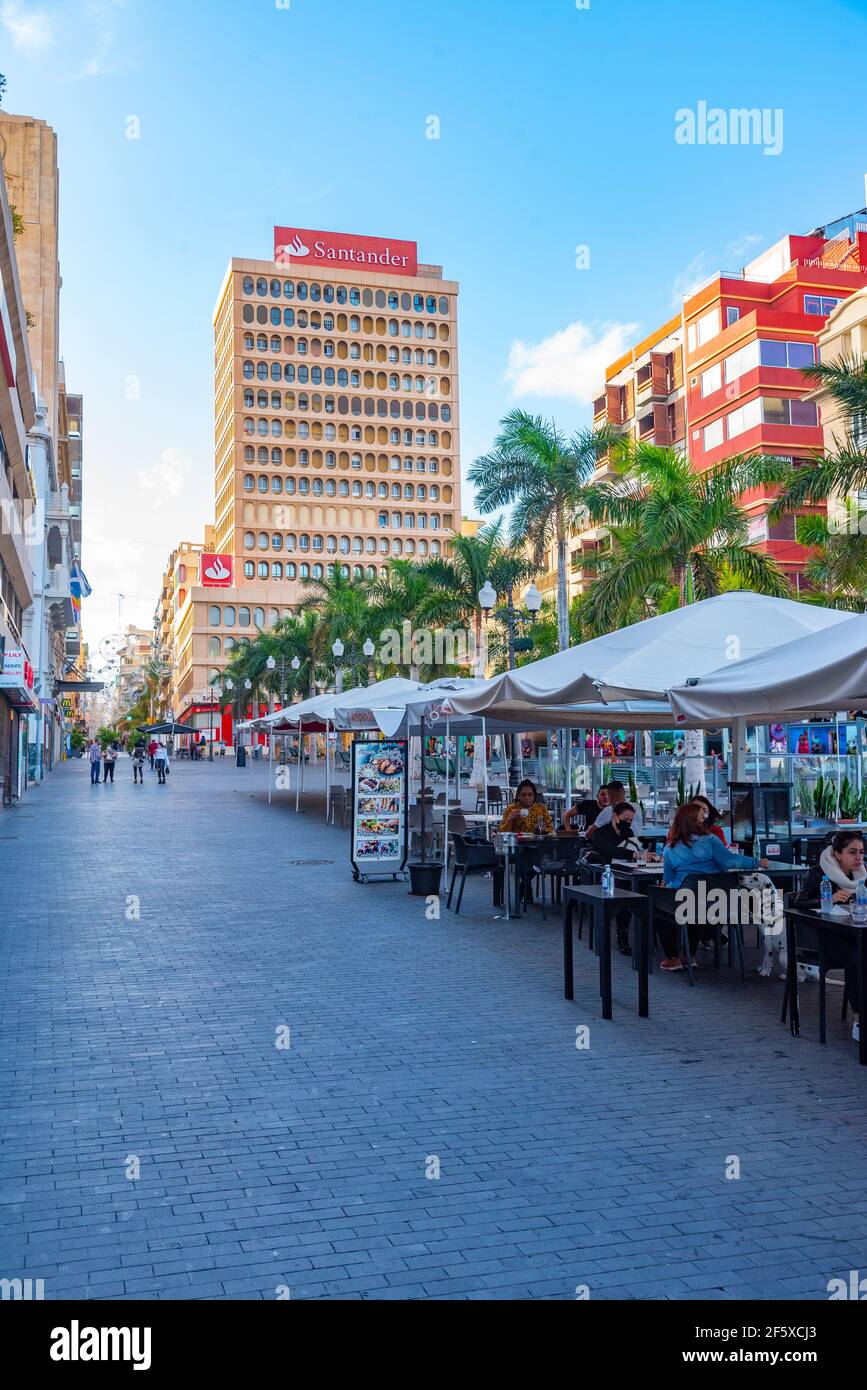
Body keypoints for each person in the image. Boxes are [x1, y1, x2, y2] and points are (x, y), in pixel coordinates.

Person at [658, 803, 765, 972]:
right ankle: (689, 956)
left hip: (687, 902)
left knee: (660, 909)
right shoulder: (711, 841)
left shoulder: (671, 849)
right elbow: (730, 861)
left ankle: (674, 957)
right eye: (702, 816)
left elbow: (669, 880)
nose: (705, 819)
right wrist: (757, 862)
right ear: (694, 821)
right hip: (721, 902)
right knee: (695, 906)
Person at [794, 830, 866, 1042]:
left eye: (861, 852)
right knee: (857, 958)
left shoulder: (862, 875)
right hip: (827, 939)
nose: (859, 857)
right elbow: (799, 903)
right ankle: (860, 1020)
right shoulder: (819, 873)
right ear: (837, 853)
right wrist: (830, 898)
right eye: (852, 852)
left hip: (856, 932)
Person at [587, 803, 658, 953]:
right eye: (626, 819)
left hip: (630, 873)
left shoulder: (628, 833)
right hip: (609, 876)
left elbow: (636, 849)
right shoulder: (600, 833)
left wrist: (646, 855)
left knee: (651, 888)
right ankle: (622, 936)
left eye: (631, 820)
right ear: (615, 816)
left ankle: (648, 936)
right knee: (625, 893)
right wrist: (634, 855)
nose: (629, 823)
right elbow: (611, 851)